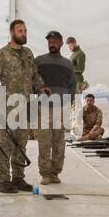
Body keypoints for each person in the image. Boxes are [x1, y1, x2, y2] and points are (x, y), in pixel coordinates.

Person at [0, 19, 49, 193]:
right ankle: (4, 181)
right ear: (12, 33)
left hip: (27, 105)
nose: (24, 34)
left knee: (22, 143)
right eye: (20, 31)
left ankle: (18, 178)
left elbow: (35, 75)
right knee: (6, 144)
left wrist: (42, 87)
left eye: (25, 31)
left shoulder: (28, 53)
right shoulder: (1, 54)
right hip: (9, 106)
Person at [34, 29, 78, 184]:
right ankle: (45, 173)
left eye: (54, 41)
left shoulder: (68, 64)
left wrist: (69, 102)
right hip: (43, 108)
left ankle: (55, 172)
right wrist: (39, 91)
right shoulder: (39, 61)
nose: (51, 43)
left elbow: (73, 85)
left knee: (59, 142)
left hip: (62, 108)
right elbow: (33, 80)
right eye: (49, 41)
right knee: (44, 141)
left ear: (60, 43)